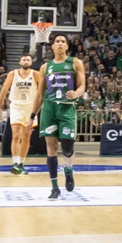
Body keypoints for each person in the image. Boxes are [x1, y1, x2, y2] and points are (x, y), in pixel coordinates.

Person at [38, 34, 86, 199]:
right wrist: (31, 115)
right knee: (50, 146)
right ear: (52, 46)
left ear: (67, 46)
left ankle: (68, 169)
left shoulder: (75, 63)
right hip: (49, 108)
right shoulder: (45, 67)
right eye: (56, 41)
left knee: (67, 148)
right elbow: (39, 93)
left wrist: (76, 93)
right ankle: (54, 187)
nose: (59, 44)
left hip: (66, 108)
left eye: (62, 42)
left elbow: (82, 86)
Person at [0, 54, 41, 176]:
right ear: (20, 62)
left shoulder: (36, 74)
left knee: (26, 136)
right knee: (16, 134)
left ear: (31, 62)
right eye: (24, 59)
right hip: (16, 106)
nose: (26, 61)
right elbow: (4, 90)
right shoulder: (13, 74)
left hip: (30, 107)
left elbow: (42, 90)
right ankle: (15, 163)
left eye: (28, 60)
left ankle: (21, 164)